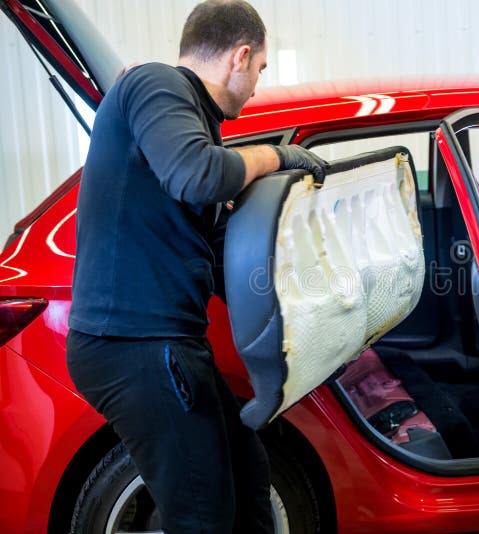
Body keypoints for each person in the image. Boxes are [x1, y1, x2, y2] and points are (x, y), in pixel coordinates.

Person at [65, 1, 325, 532]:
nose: (256, 86)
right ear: (240, 56)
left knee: (247, 470)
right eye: (260, 69)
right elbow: (198, 176)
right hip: (135, 346)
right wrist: (275, 157)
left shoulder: (190, 117)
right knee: (203, 516)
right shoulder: (156, 84)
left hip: (168, 343)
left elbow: (208, 241)